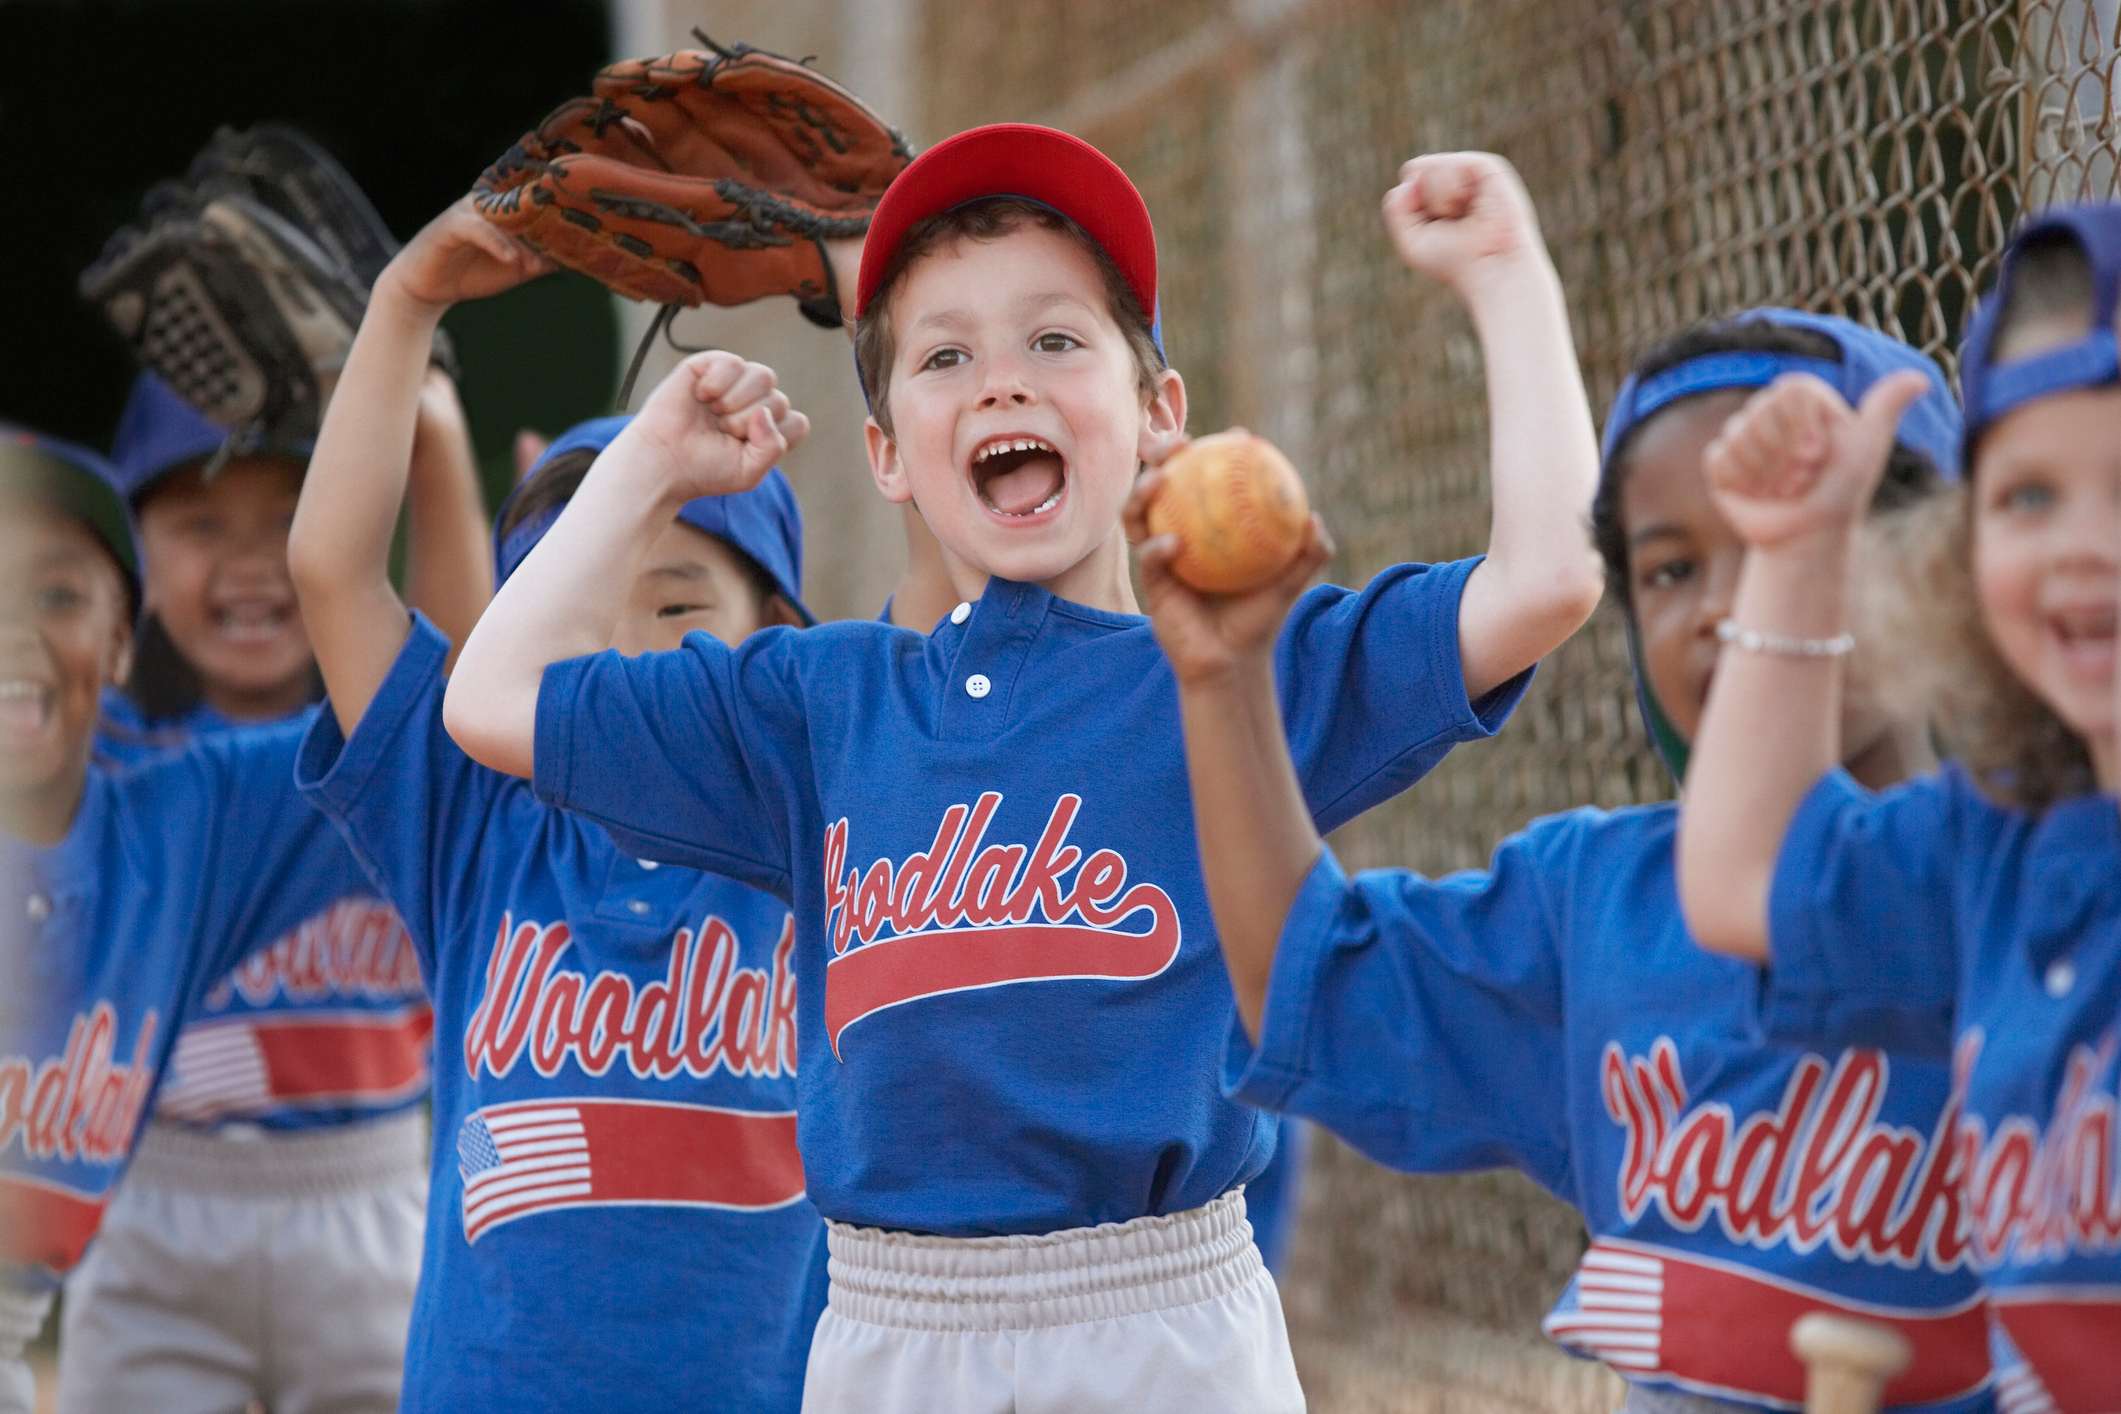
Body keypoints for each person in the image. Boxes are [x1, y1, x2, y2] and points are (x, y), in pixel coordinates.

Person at [444, 123, 1603, 1411]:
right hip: (894, 1329)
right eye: (946, 356)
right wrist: (646, 468)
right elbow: (493, 699)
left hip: (1163, 1320)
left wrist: (1507, 278)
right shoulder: (817, 705)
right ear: (888, 454)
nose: (1002, 383)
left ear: (1159, 415)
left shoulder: (1229, 666)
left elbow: (1547, 579)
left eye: (1055, 340)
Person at [1135, 307, 1993, 1410]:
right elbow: (1313, 978)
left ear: (1939, 573)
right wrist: (1226, 681)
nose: (1723, 606)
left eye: (1794, 533)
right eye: (1672, 568)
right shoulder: (1602, 912)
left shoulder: (2027, 887)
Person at [285, 198, 828, 1410]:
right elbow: (332, 569)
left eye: (678, 606)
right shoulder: (474, 815)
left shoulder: (822, 817)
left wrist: (874, 285)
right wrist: (405, 301)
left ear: (778, 634)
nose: (625, 652)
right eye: (575, 617)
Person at [1675, 208, 2121, 1411]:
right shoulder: (2001, 843)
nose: (2085, 545)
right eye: (2029, 496)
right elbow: (1743, 877)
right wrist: (1798, 547)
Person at [0, 428, 411, 1414]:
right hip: (155, 1209)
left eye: (56, 594)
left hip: (361, 1185)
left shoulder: (175, 830)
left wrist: (422, 424)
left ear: (118, 639)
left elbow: (412, 722)